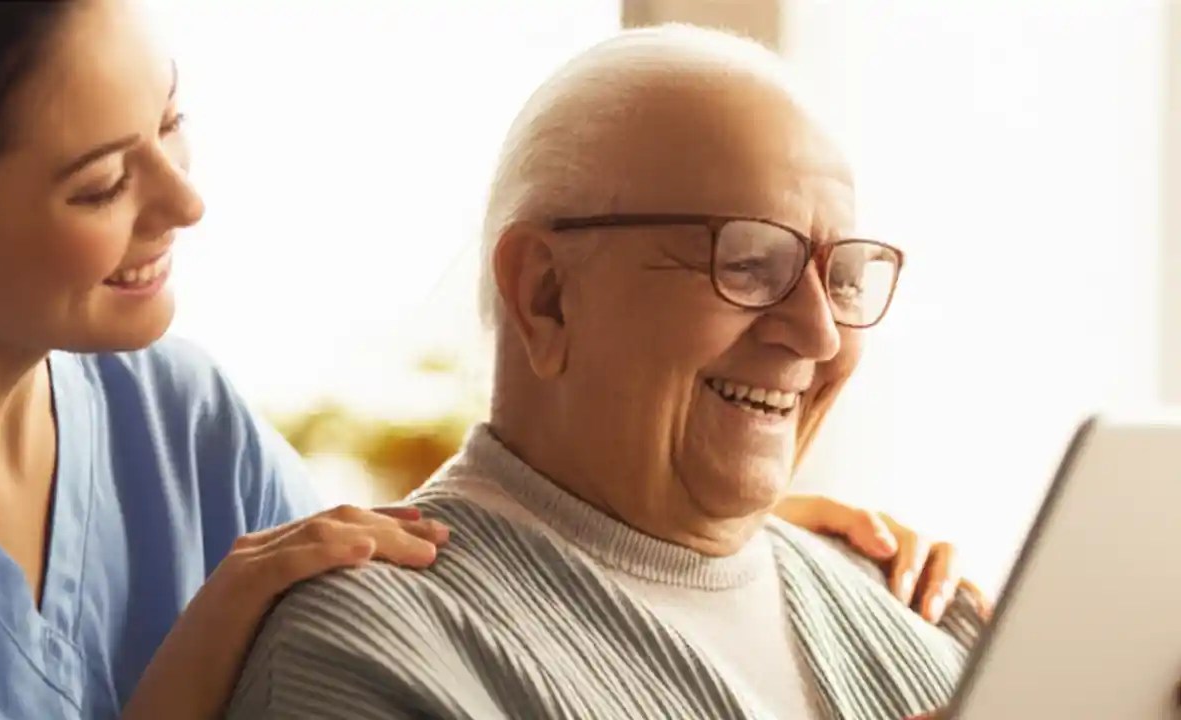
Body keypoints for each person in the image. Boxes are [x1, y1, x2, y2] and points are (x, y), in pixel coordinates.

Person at [0, 2, 978, 719]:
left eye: (171, 120)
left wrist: (706, 533)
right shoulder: (353, 660)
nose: (188, 201)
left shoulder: (176, 416)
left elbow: (442, 547)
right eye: (98, 183)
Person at [226, 23, 992, 720]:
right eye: (750, 263)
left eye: (846, 278)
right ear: (547, 296)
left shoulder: (914, 602)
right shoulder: (367, 649)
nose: (820, 333)